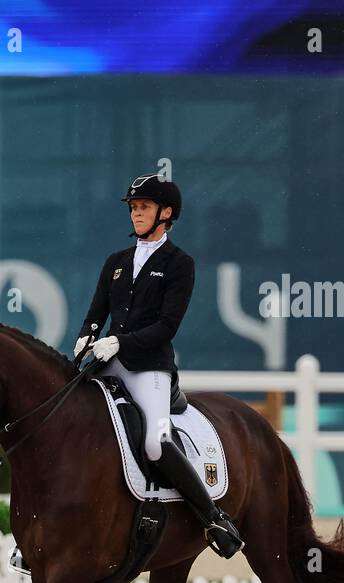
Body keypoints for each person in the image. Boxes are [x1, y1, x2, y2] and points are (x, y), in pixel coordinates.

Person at [72, 174, 243, 559]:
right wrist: (86, 335)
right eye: (133, 208)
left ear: (166, 213)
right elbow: (95, 313)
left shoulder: (180, 264)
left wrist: (121, 341)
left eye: (143, 207)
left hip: (149, 369)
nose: (136, 214)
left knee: (154, 441)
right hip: (108, 363)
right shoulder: (115, 262)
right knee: (68, 419)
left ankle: (214, 518)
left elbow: (167, 326)